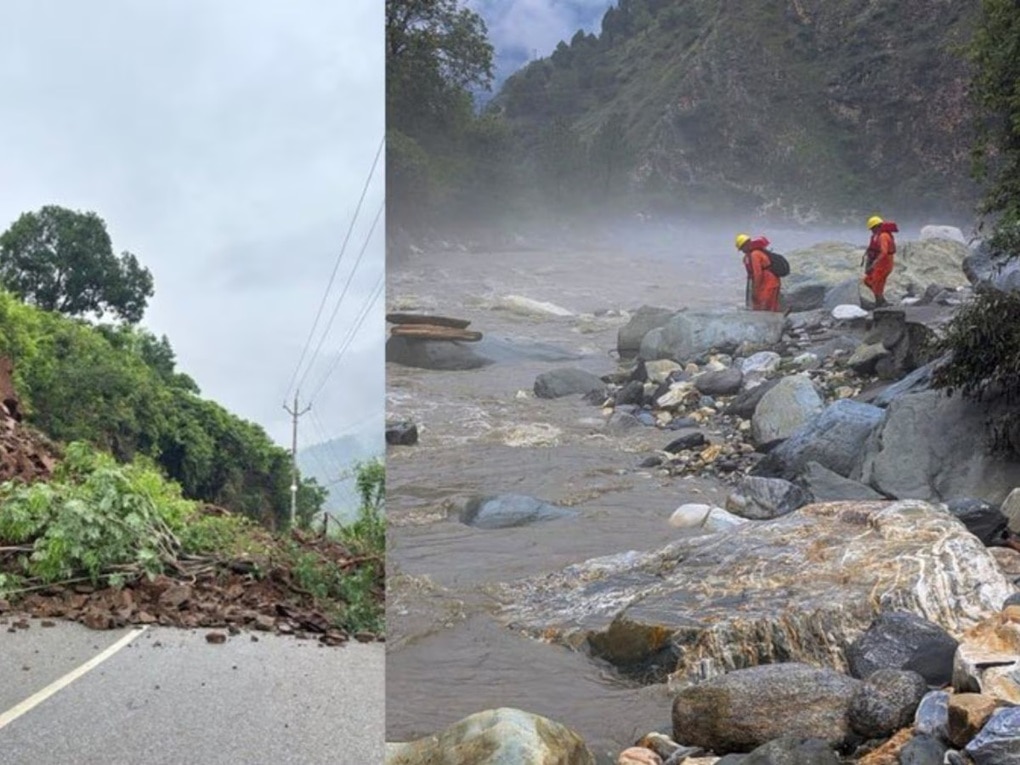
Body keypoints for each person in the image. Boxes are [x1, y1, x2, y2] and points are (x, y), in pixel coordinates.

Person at [736, 233, 781, 312]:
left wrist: (755, 290)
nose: (742, 251)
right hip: (772, 282)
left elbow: (758, 273)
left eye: (742, 248)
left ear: (745, 245)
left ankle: (771, 319)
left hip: (768, 284)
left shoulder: (755, 255)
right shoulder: (755, 254)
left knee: (765, 307)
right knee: (769, 307)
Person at [862, 215, 898, 307]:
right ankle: (881, 300)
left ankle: (880, 302)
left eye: (872, 228)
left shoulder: (883, 236)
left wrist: (874, 263)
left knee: (876, 282)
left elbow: (884, 252)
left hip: (884, 263)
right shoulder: (879, 236)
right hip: (882, 263)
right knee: (869, 280)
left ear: (877, 226)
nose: (872, 231)